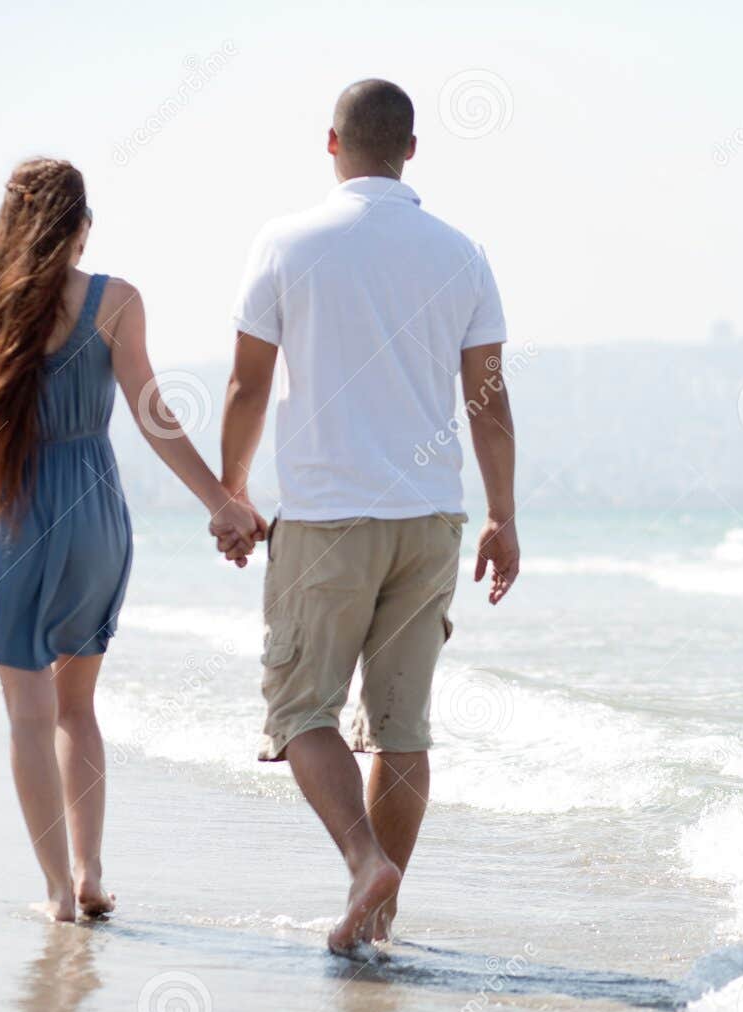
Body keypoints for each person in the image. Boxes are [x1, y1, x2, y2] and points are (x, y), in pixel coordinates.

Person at [219, 79, 519, 955]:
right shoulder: (461, 252)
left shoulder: (285, 241)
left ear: (331, 143)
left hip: (325, 517)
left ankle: (362, 866)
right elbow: (489, 403)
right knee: (402, 727)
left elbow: (246, 383)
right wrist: (502, 515)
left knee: (301, 709)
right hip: (431, 520)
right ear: (412, 151)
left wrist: (234, 493)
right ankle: (378, 922)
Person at [0, 158, 263, 922]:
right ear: (79, 227)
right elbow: (152, 412)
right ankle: (91, 874)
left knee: (28, 712)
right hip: (90, 510)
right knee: (77, 707)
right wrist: (221, 500)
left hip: (6, 512)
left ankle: (55, 891)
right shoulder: (116, 300)